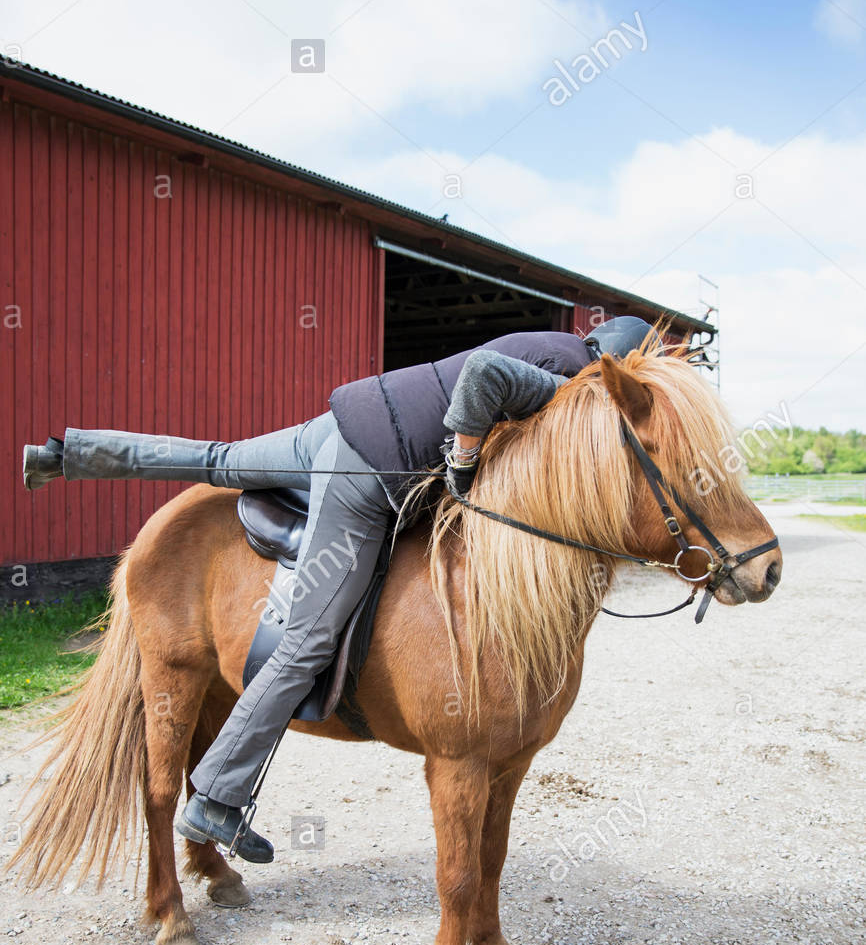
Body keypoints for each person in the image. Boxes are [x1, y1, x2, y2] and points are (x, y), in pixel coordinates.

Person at [22, 316, 655, 862]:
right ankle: (216, 796)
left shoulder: (548, 343)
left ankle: (65, 454)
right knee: (308, 636)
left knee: (218, 457)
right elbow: (482, 377)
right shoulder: (573, 378)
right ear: (613, 361)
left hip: (338, 424)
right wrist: (461, 460)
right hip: (366, 468)